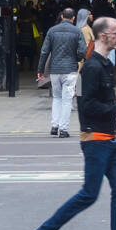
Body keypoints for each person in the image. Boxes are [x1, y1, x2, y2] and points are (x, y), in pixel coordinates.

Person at [30, 18, 116, 230]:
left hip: (111, 139)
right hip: (96, 140)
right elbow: (87, 105)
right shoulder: (91, 67)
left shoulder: (105, 64)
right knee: (89, 194)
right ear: (103, 35)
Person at [37, 7, 88, 137]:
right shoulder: (77, 31)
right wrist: (76, 58)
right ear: (73, 18)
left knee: (57, 98)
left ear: (61, 17)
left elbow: (44, 51)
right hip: (70, 70)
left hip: (55, 70)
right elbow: (83, 50)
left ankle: (54, 126)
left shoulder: (52, 31)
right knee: (67, 100)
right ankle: (63, 129)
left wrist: (40, 70)